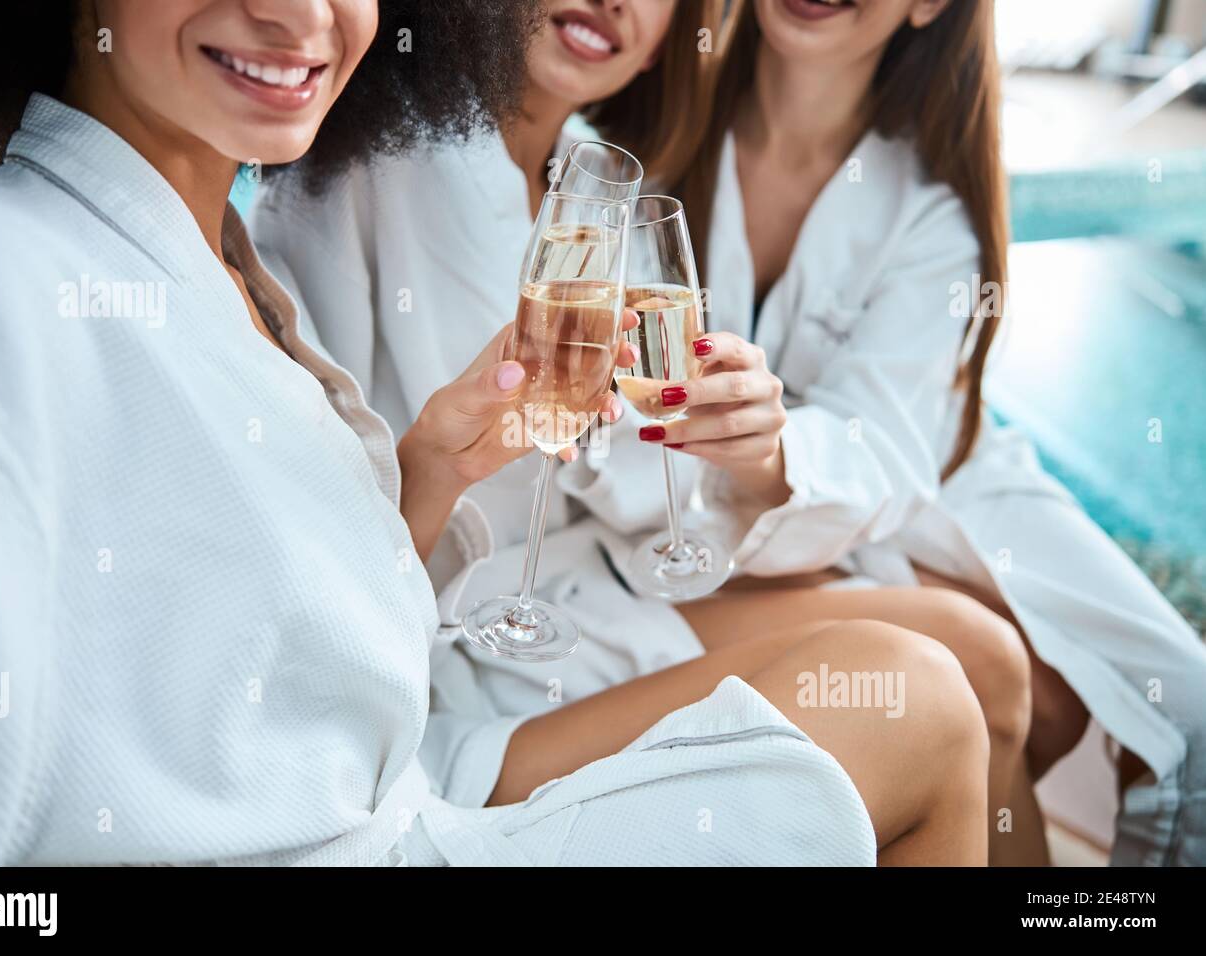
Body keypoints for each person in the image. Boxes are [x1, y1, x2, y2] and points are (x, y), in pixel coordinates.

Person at [0, 0, 989, 865]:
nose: (298, 13)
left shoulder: (223, 267)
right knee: (928, 696)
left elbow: (267, 629)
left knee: (933, 676)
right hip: (399, 796)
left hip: (400, 799)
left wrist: (434, 465)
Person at [254, 0, 1009, 862]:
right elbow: (319, 528)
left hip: (581, 597)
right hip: (453, 670)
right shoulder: (384, 160)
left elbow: (642, 450)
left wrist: (757, 449)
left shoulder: (593, 184)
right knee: (951, 681)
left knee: (984, 654)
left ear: (661, 49)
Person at [598, 0, 1205, 865]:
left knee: (1176, 701)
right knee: (998, 682)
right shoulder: (652, 116)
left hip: (922, 460)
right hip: (757, 504)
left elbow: (879, 443)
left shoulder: (931, 207)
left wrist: (775, 457)